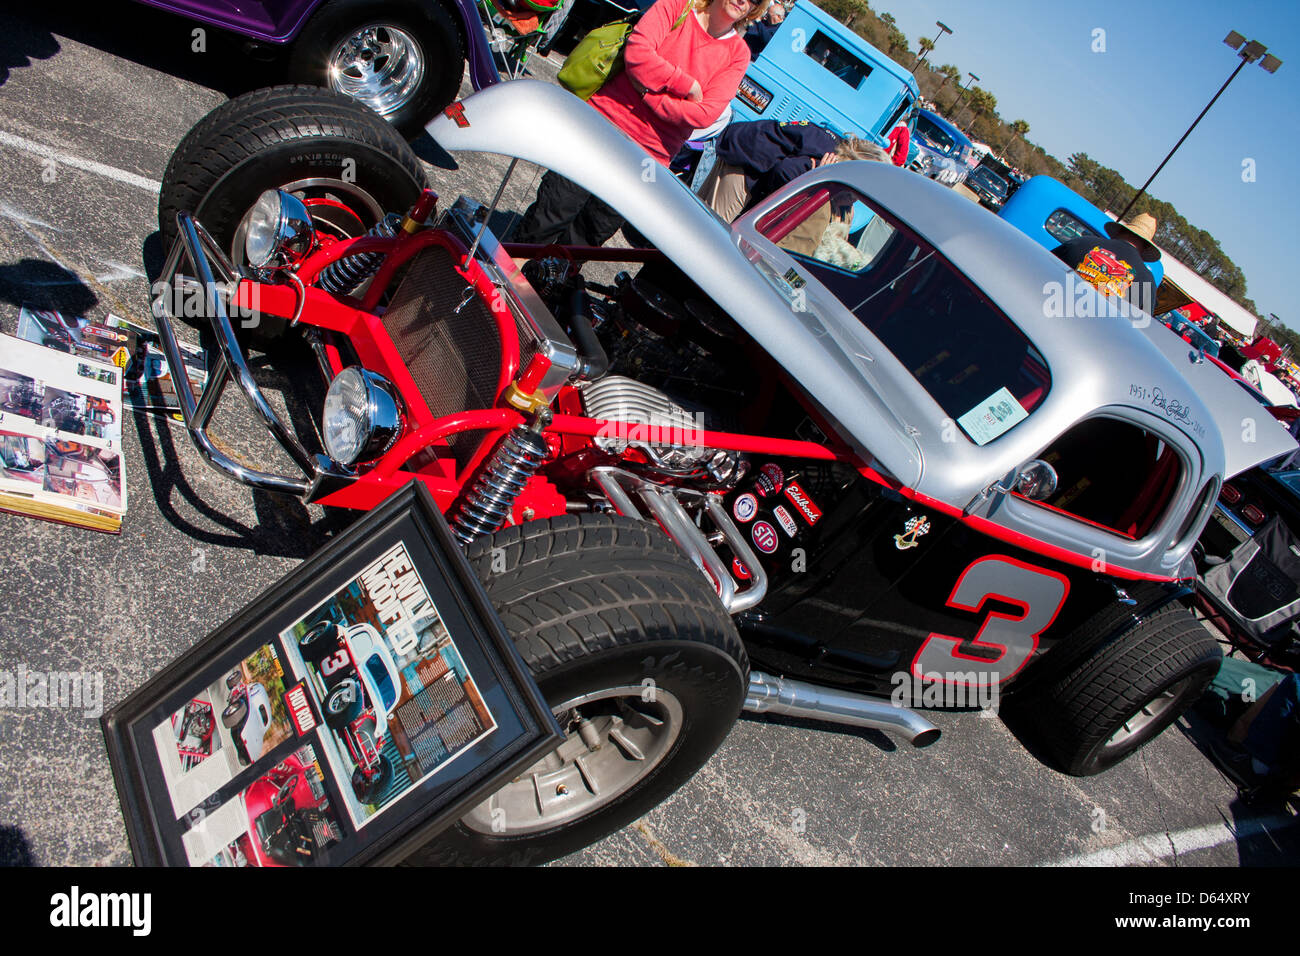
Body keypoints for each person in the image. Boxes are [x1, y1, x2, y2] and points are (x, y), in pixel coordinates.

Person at [515, 0, 764, 247]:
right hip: (603, 122)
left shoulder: (738, 54)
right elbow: (638, 52)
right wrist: (687, 85)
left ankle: (546, 284)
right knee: (552, 210)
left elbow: (704, 114)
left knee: (591, 233)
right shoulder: (677, 6)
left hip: (650, 157)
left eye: (755, 0)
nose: (744, 1)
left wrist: (647, 94)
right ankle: (509, 271)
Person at [699, 120, 883, 222]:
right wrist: (814, 179)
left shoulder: (834, 146)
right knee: (710, 228)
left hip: (740, 146)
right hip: (746, 164)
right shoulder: (828, 160)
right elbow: (783, 172)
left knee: (697, 213)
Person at [1051, 212, 1161, 315]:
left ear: (1119, 231)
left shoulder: (1082, 242)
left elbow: (1043, 267)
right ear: (1146, 247)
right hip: (1089, 334)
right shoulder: (1147, 281)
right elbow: (1140, 327)